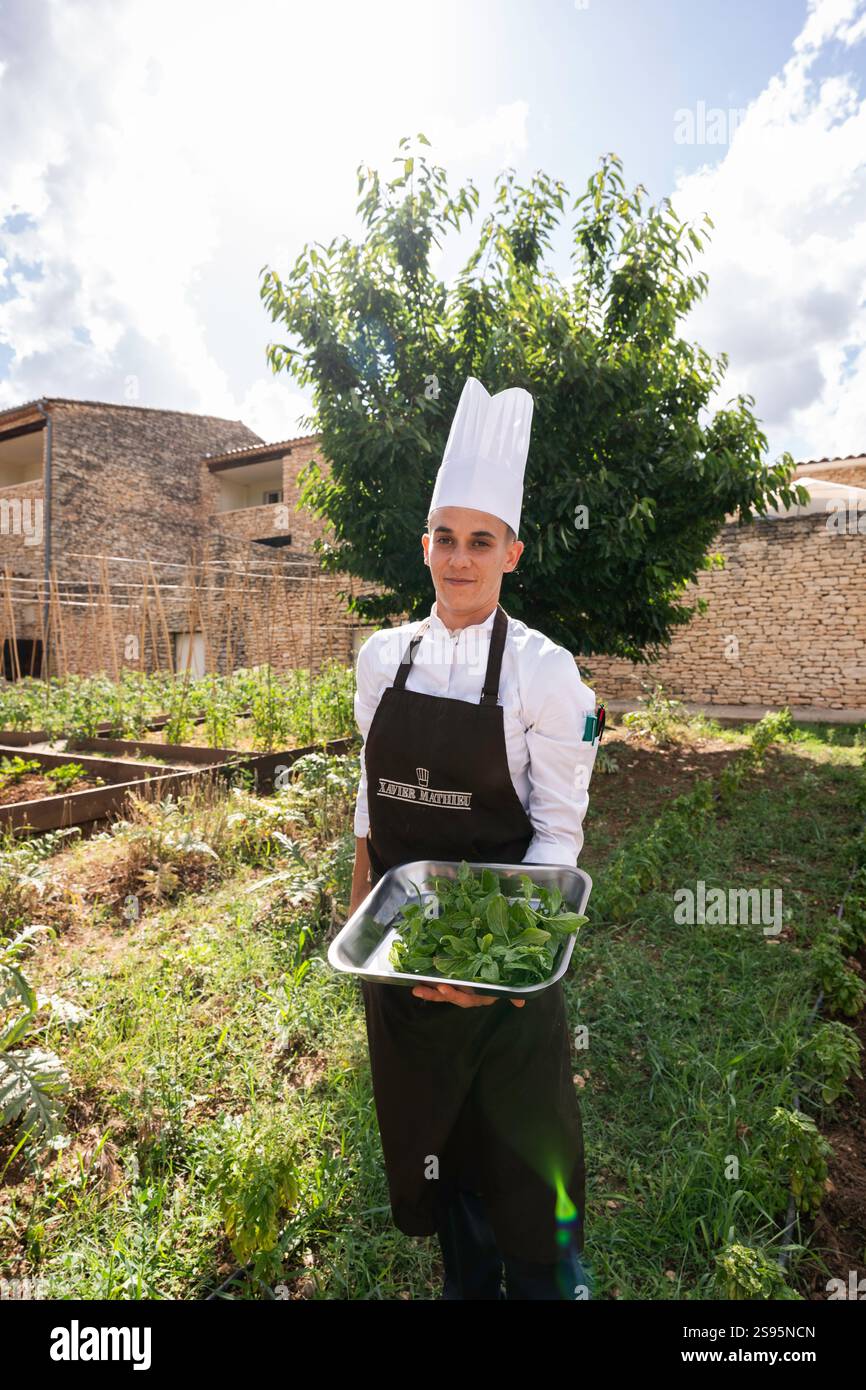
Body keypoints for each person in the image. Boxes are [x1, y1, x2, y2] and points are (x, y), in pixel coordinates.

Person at [347, 377, 600, 1300]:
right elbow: (371, 805)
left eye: (479, 541)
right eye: (445, 538)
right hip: (409, 973)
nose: (460, 559)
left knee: (532, 1183)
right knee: (443, 1166)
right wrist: (367, 932)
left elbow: (558, 839)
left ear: (512, 552)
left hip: (505, 973)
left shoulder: (546, 674)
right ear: (425, 546)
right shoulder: (382, 659)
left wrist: (489, 972)